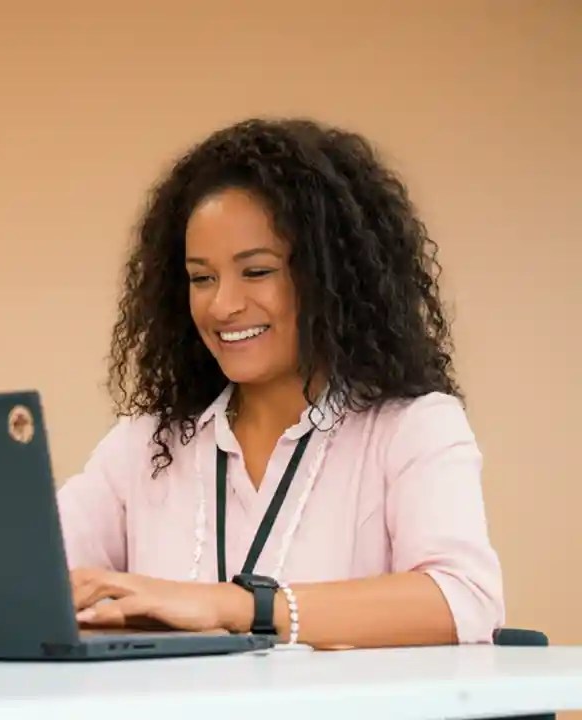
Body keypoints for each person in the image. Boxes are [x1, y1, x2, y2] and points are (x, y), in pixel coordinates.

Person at [57, 117, 505, 650]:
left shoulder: (413, 428)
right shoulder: (143, 447)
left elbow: (463, 600)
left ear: (329, 277)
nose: (223, 305)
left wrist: (236, 607)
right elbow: (28, 577)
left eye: (256, 271)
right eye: (202, 278)